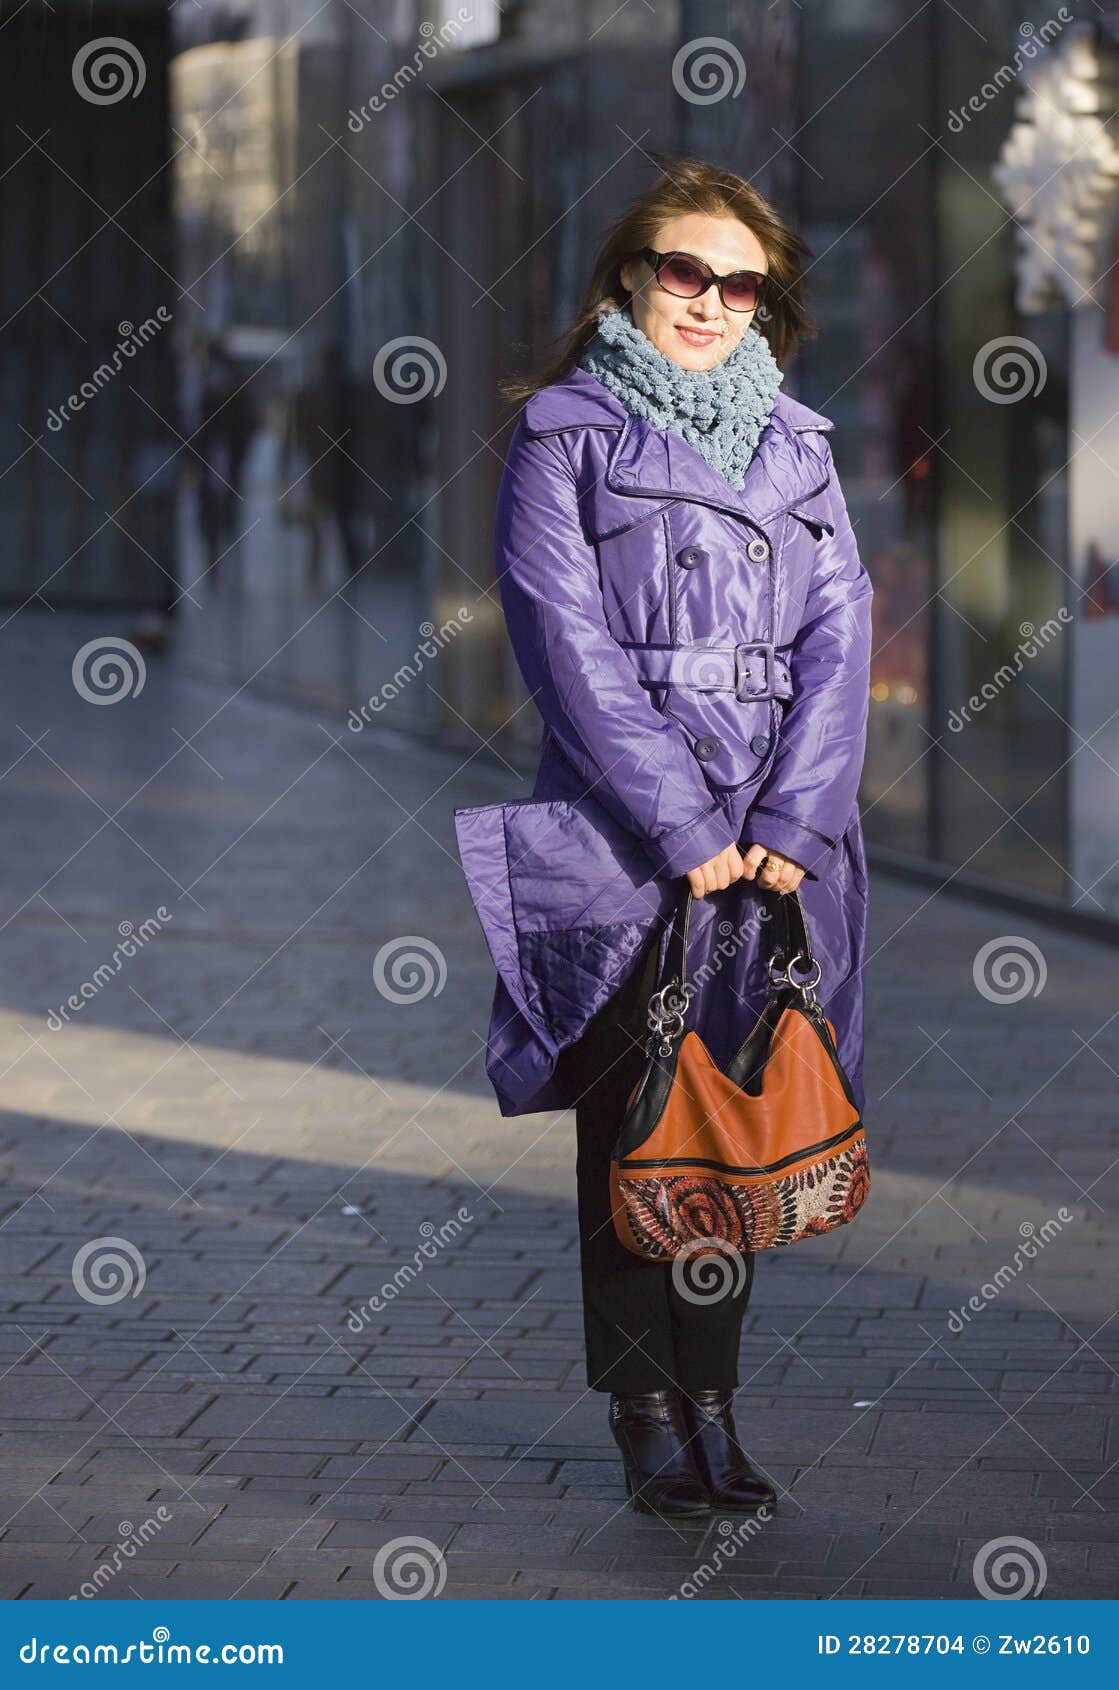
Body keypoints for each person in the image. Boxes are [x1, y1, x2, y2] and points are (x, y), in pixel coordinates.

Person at [455, 157, 873, 1520]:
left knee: (737, 1115)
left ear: (767, 304)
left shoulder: (803, 447)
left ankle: (716, 1396)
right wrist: (685, 823)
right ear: (631, 277)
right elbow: (562, 641)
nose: (709, 298)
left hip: (774, 841)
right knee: (636, 1117)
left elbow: (839, 637)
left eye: (737, 280)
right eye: (685, 270)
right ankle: (645, 1401)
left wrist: (794, 820)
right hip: (627, 831)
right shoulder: (564, 433)